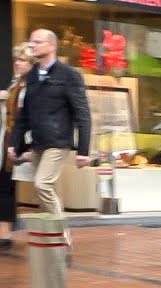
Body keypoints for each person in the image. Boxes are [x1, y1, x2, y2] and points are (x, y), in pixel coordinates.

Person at [8, 28, 92, 239]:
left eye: (37, 42)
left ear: (51, 46)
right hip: (38, 142)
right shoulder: (33, 75)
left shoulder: (69, 75)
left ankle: (63, 236)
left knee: (42, 183)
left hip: (58, 142)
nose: (32, 46)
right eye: (31, 42)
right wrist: (15, 144)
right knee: (44, 190)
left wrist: (83, 150)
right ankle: (48, 240)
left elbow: (82, 113)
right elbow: (24, 114)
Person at [1, 45, 35, 251]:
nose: (17, 62)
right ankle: (4, 231)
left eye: (22, 60)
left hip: (21, 139)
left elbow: (29, 116)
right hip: (9, 138)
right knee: (5, 184)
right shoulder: (17, 83)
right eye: (17, 59)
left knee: (8, 185)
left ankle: (5, 232)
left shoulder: (31, 86)